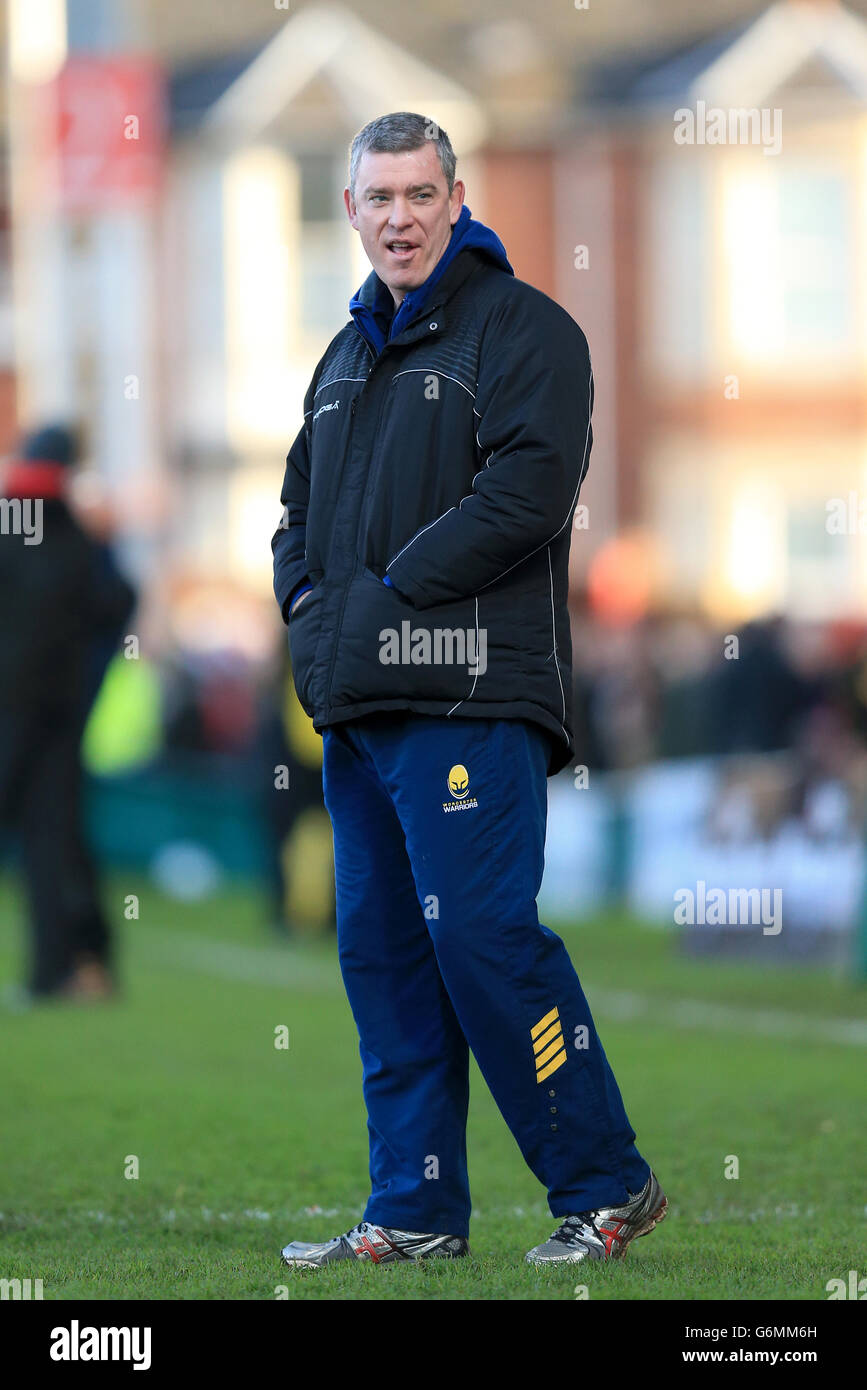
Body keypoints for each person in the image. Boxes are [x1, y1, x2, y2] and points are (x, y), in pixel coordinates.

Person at [272, 113, 666, 1267]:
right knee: (385, 958)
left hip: (471, 700)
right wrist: (308, 609)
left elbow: (531, 494)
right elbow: (295, 515)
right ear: (352, 211)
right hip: (360, 709)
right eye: (377, 197)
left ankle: (607, 1187)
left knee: (486, 945)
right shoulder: (343, 357)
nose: (398, 216)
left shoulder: (524, 328)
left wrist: (387, 594)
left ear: (457, 199)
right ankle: (415, 1211)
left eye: (418, 194)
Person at [0, 424, 136, 1002]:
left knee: (47, 838)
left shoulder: (10, 525)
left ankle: (66, 968)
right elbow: (116, 600)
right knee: (51, 840)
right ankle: (58, 970)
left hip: (12, 708)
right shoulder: (79, 538)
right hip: (59, 709)